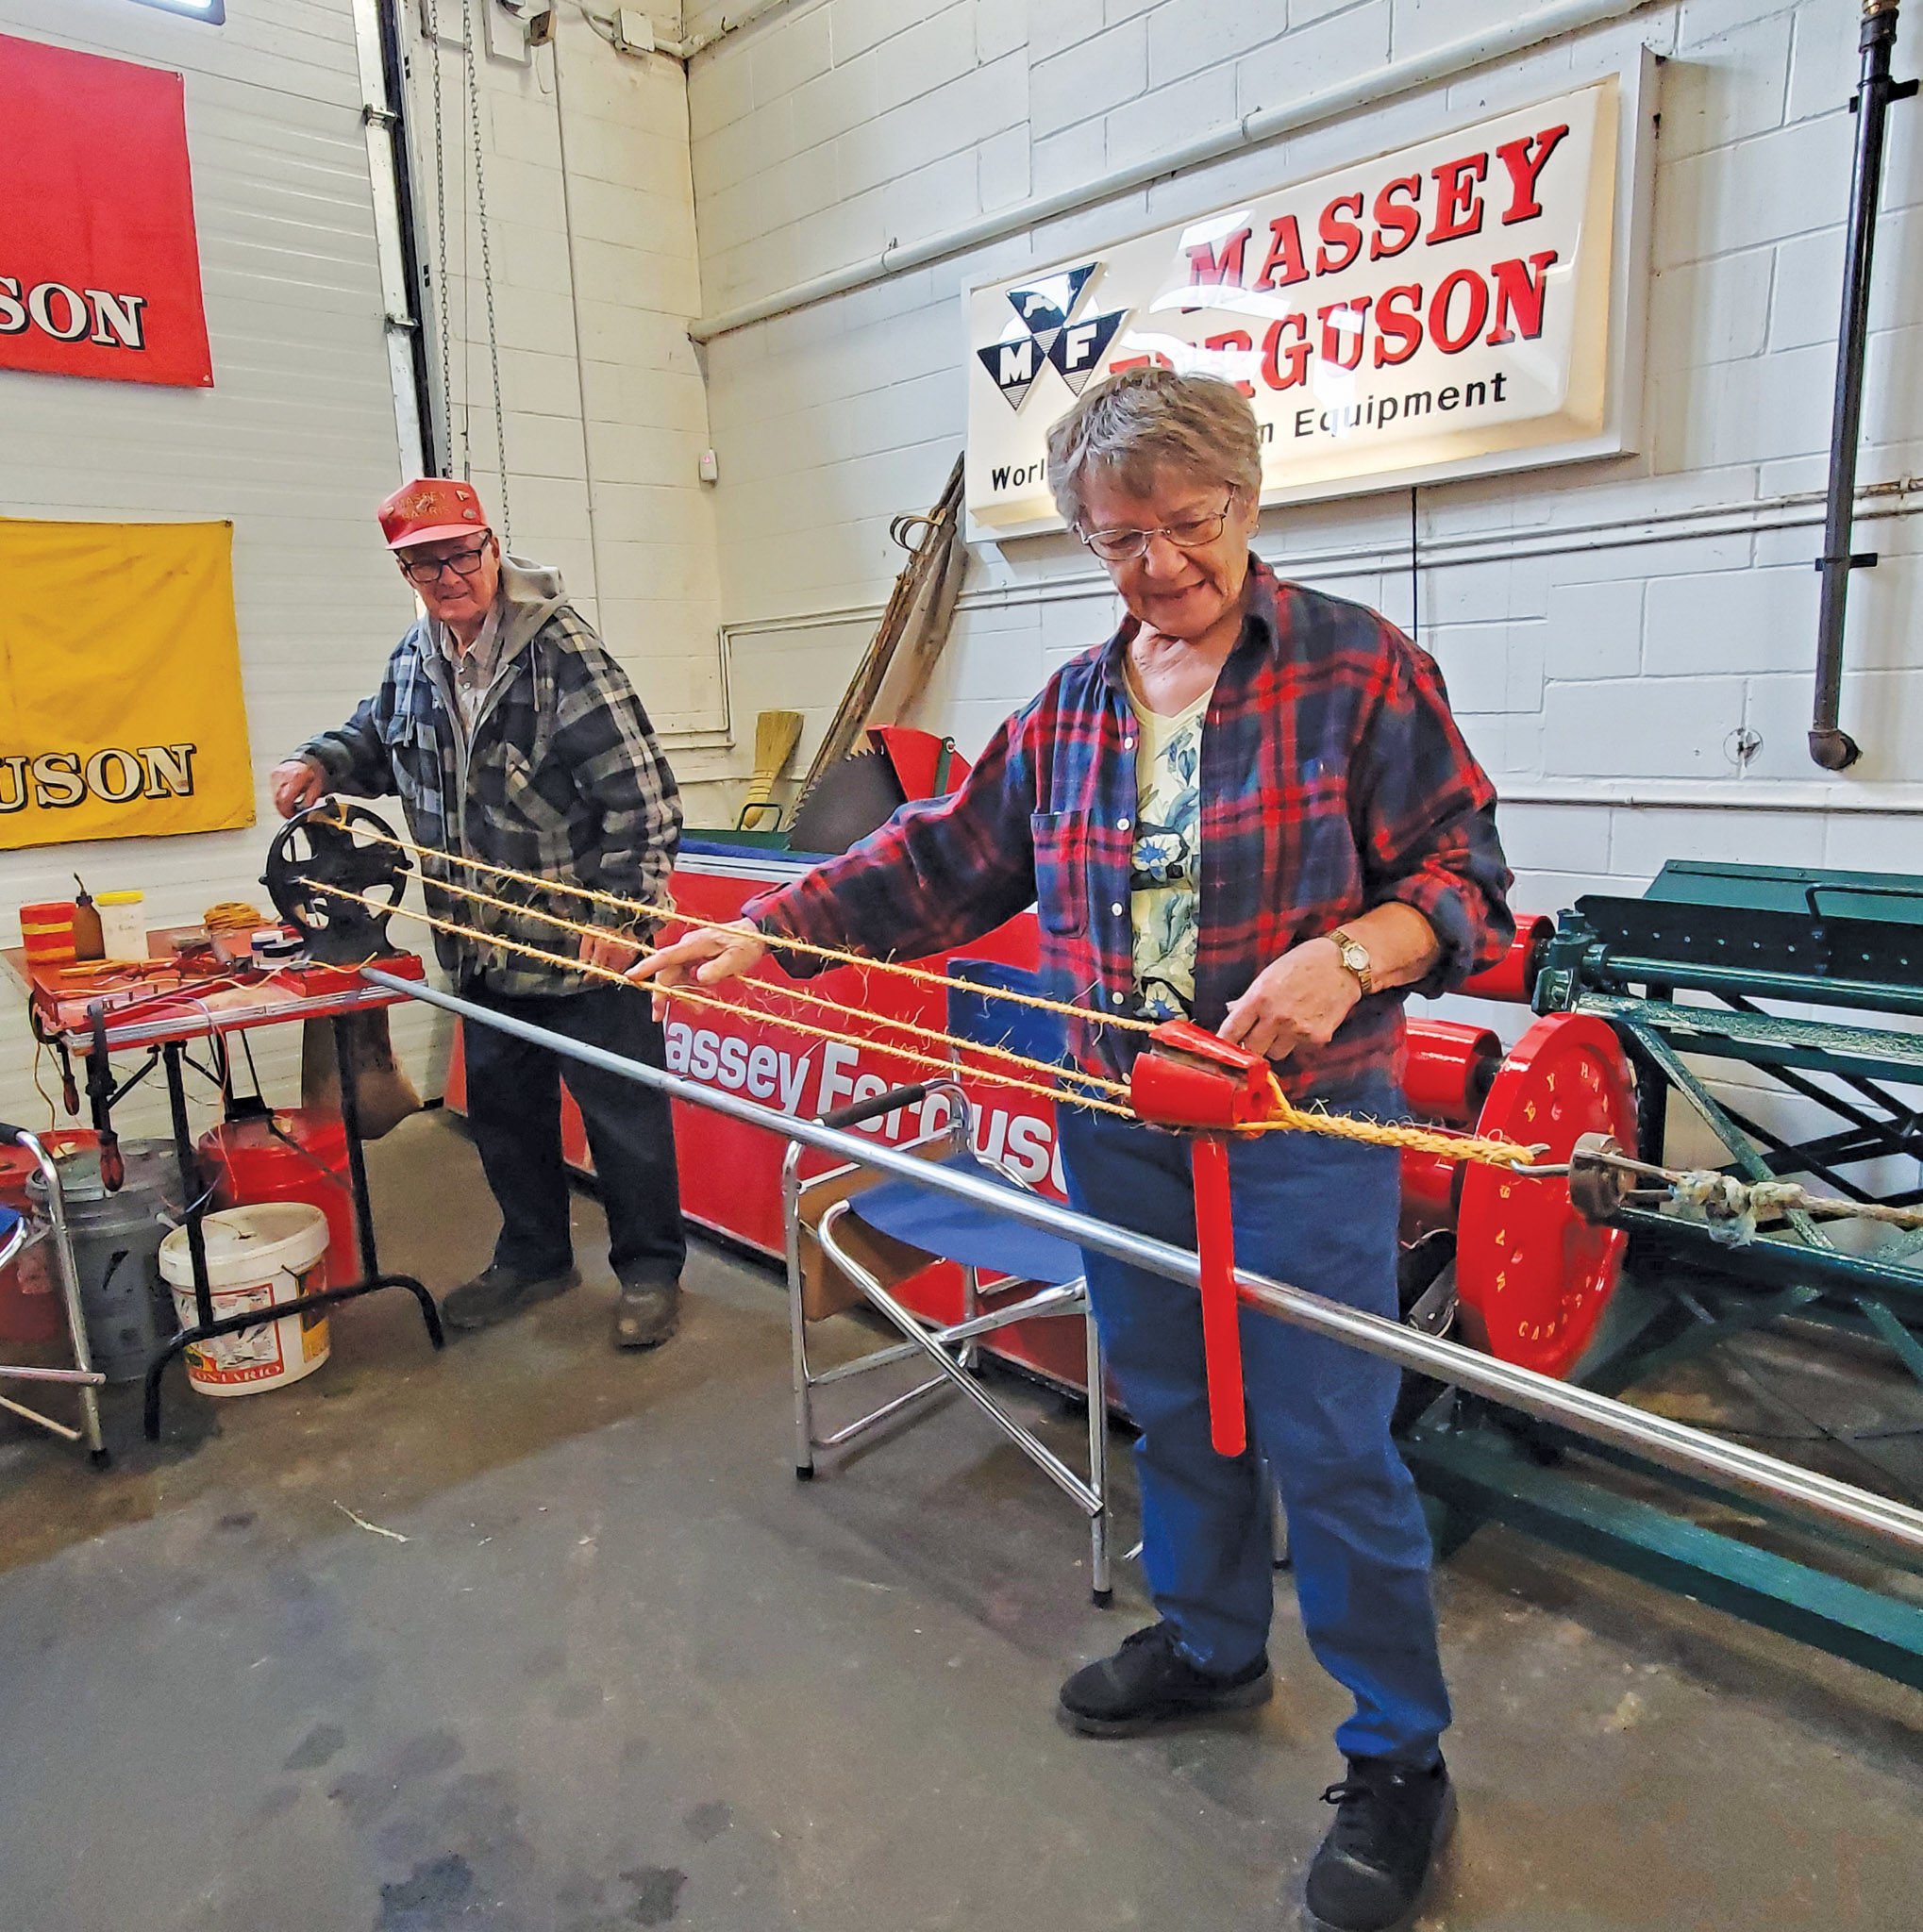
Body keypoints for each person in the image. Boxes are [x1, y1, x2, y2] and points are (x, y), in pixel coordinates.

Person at [635, 368, 1513, 1932]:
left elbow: (1468, 881)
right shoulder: (1068, 705)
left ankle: (1397, 1756)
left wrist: (1353, 957)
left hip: (1305, 1128)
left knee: (1331, 1440)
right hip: (1119, 1120)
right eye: (1121, 538)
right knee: (1171, 1402)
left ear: (1245, 500)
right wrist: (769, 937)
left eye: (1191, 524)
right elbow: (942, 858)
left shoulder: (1357, 674)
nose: (1161, 566)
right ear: (1082, 536)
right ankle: (1209, 1640)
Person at [271, 477, 687, 1350]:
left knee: (624, 1118)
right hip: (480, 948)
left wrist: (624, 920)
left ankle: (649, 1270)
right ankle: (534, 1256)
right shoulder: (416, 657)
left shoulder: (564, 656)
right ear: (405, 571)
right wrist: (320, 762)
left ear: (492, 546)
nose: (448, 575)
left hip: (582, 948)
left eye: (460, 554)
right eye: (425, 564)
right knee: (504, 1114)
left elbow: (644, 801)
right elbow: (377, 738)